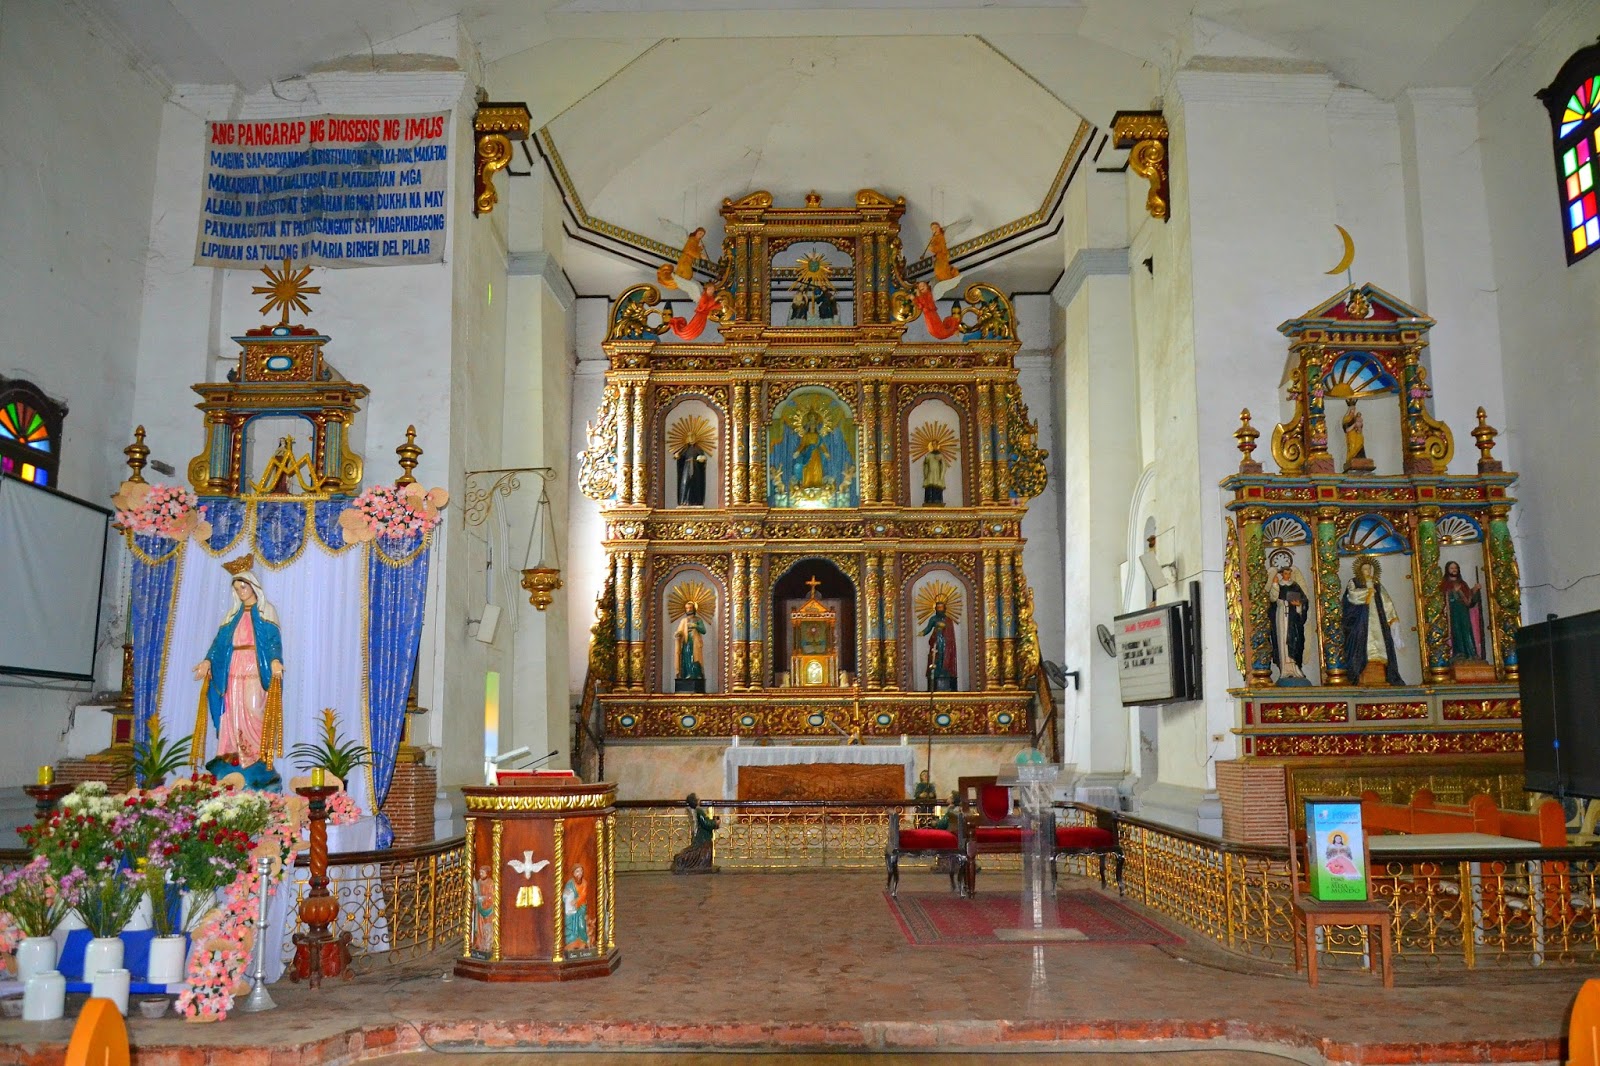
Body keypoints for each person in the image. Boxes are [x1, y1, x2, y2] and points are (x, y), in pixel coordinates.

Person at [193, 560, 284, 789]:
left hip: (255, 665)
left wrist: (274, 661)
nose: (240, 591)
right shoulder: (232, 615)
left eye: (243, 586)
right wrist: (207, 661)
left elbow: (273, 641)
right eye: (236, 588)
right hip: (233, 667)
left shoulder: (266, 610)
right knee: (231, 712)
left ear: (253, 586)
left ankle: (255, 756)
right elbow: (218, 643)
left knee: (254, 708)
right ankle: (231, 753)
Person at [1341, 554, 1404, 685]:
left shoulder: (1377, 585)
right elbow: (1352, 596)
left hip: (1377, 619)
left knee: (1381, 640)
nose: (1368, 571)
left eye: (1369, 569)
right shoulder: (1354, 582)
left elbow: (1387, 602)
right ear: (1359, 570)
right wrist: (1368, 592)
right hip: (1360, 620)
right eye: (1365, 569)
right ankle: (1361, 668)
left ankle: (1379, 664)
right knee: (1361, 640)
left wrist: (1392, 619)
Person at [1266, 549, 1310, 683]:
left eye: (1289, 573)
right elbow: (1273, 600)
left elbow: (1303, 601)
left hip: (1293, 618)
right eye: (1285, 573)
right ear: (1281, 574)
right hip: (1281, 616)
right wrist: (1274, 585)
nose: (1287, 575)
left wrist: (1298, 605)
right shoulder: (1278, 585)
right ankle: (1285, 669)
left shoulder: (1295, 586)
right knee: (1282, 640)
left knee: (1295, 639)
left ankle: (1295, 667)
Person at [1441, 560, 1484, 661]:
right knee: (1456, 631)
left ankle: (1471, 653)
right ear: (1447, 570)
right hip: (1453, 611)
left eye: (1455, 568)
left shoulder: (1462, 583)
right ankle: (1459, 653)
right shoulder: (1445, 584)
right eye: (1452, 568)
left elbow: (1469, 597)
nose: (1454, 570)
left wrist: (1475, 589)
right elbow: (1442, 597)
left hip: (1463, 610)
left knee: (1466, 630)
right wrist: (1452, 591)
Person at [922, 600, 958, 691]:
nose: (940, 609)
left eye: (941, 608)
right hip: (936, 641)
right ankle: (937, 671)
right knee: (936, 657)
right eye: (938, 608)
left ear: (945, 609)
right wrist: (922, 633)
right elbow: (928, 628)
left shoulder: (948, 620)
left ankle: (945, 670)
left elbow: (950, 634)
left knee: (945, 656)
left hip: (946, 642)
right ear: (935, 609)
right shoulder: (933, 619)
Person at [675, 601, 707, 682]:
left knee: (695, 658)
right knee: (686, 658)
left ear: (694, 608)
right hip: (686, 642)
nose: (689, 610)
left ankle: (696, 675)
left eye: (690, 608)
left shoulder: (698, 619)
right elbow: (680, 631)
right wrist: (678, 634)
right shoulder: (683, 620)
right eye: (687, 608)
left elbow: (703, 630)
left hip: (695, 642)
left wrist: (695, 625)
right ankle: (687, 674)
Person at [562, 864, 591, 953]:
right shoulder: (570, 883)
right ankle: (571, 940)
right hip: (571, 907)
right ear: (573, 873)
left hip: (581, 906)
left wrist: (576, 900)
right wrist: (567, 898)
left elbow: (583, 895)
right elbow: (565, 894)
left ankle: (582, 940)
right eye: (577, 871)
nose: (580, 873)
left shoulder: (584, 883)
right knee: (569, 921)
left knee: (581, 923)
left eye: (581, 871)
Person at [675, 437, 709, 507]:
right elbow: (680, 460)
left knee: (696, 483)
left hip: (696, 469)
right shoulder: (685, 449)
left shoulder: (699, 449)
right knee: (685, 483)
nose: (691, 439)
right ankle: (684, 501)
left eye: (693, 437)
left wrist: (702, 459)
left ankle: (696, 501)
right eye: (690, 437)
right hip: (686, 469)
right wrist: (678, 457)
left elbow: (702, 460)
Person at [1342, 399, 1373, 472]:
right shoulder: (1346, 419)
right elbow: (1347, 430)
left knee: (1360, 446)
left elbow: (1360, 429)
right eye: (1352, 410)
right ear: (1349, 410)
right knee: (1352, 449)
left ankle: (1361, 459)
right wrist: (1354, 424)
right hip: (1351, 437)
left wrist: (1359, 426)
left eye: (1354, 410)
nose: (1353, 411)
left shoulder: (1356, 418)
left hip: (1358, 436)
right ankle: (1352, 460)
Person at [471, 864, 495, 957]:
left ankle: (488, 944)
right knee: (480, 927)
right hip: (480, 908)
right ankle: (479, 943)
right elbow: (476, 892)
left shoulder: (490, 882)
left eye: (482, 872)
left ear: (486, 873)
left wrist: (484, 898)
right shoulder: (479, 882)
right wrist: (476, 898)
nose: (481, 874)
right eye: (480, 872)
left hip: (488, 908)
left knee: (487, 927)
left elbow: (492, 896)